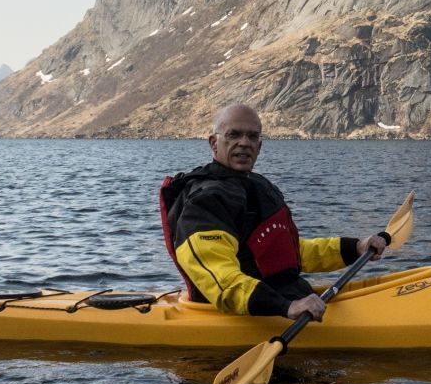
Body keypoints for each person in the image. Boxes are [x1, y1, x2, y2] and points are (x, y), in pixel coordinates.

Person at [160, 103, 390, 319]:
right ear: (213, 143)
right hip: (244, 314)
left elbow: (288, 253)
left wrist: (355, 247)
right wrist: (286, 307)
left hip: (279, 301)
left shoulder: (256, 186)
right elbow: (221, 279)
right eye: (234, 134)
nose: (244, 143)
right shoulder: (205, 201)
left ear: (259, 146)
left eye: (252, 136)